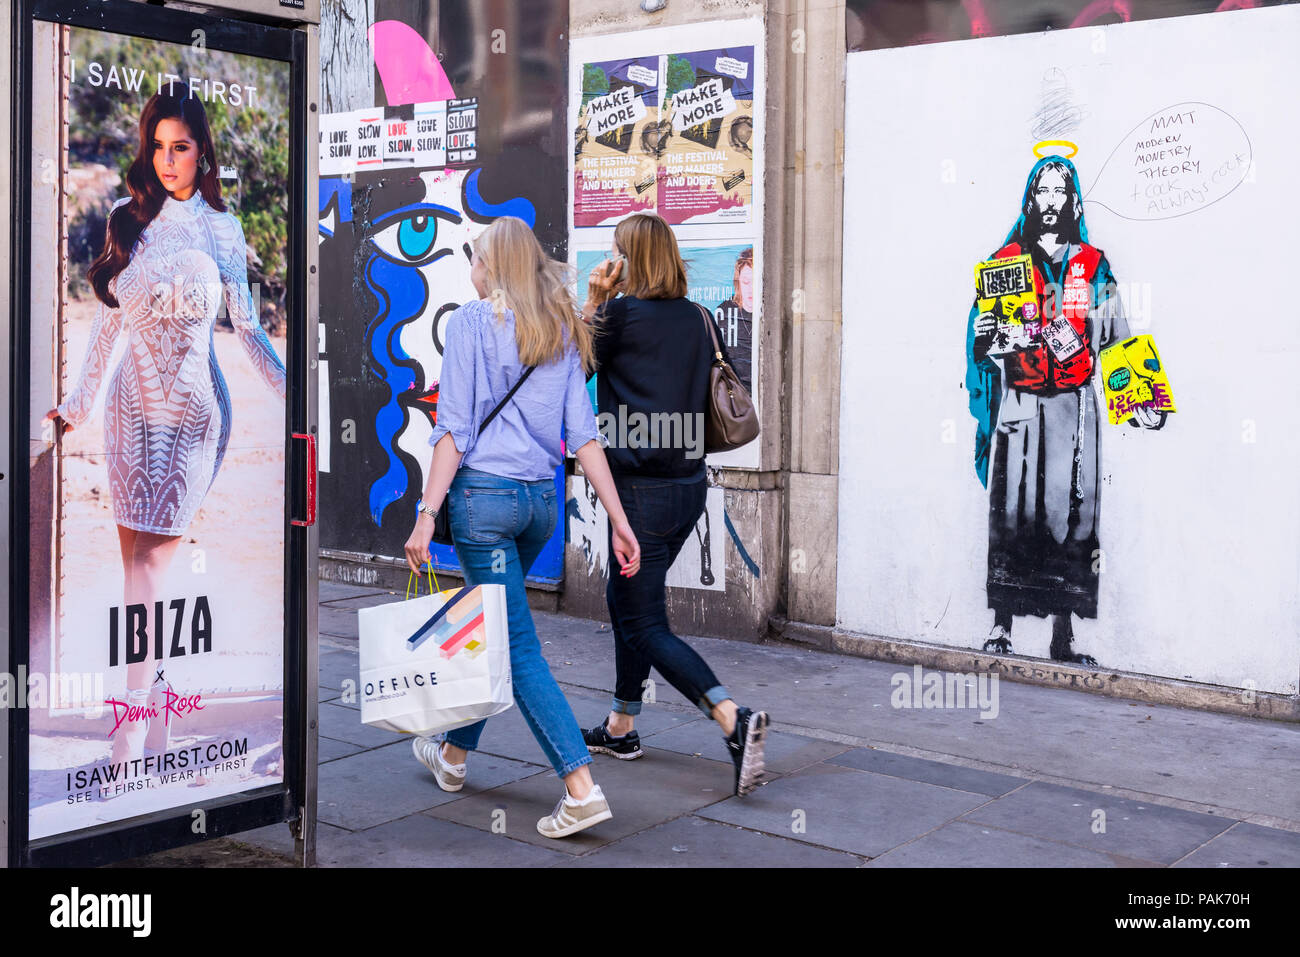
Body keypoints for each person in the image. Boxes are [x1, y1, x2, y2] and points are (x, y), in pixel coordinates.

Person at [45, 90, 287, 770]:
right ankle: (153, 708)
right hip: (128, 411)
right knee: (133, 572)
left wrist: (298, 399)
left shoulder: (225, 228)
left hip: (194, 415)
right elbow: (108, 321)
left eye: (181, 146)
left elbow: (247, 330)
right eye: (158, 146)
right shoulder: (129, 218)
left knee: (152, 568)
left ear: (202, 150)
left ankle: (130, 723)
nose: (169, 159)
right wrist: (78, 402)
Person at [403, 216, 641, 839]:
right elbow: (583, 435)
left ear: (495, 265)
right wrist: (618, 520)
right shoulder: (559, 326)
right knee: (497, 633)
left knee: (518, 647)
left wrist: (426, 516)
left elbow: (453, 430)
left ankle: (580, 786)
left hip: (484, 505)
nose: (471, 269)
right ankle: (452, 756)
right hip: (540, 504)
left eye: (476, 258)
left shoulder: (470, 324)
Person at [580, 212, 769, 797]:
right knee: (626, 599)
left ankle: (733, 719)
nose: (611, 262)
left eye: (617, 253)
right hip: (689, 488)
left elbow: (574, 366)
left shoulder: (615, 316)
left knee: (644, 620)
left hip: (635, 493)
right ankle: (622, 723)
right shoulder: (699, 318)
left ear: (630, 260)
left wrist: (593, 298)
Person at [965, 154, 1163, 666]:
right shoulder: (1007, 261)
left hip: (1074, 414)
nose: (1050, 201)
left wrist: (1142, 401)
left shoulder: (1094, 267)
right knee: (1013, 517)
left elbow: (1118, 336)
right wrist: (992, 340)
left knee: (1072, 522)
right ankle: (1002, 627)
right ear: (1032, 200)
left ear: (1073, 200)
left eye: (1060, 191)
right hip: (1021, 408)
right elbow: (981, 334)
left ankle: (1063, 636)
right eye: (1042, 192)